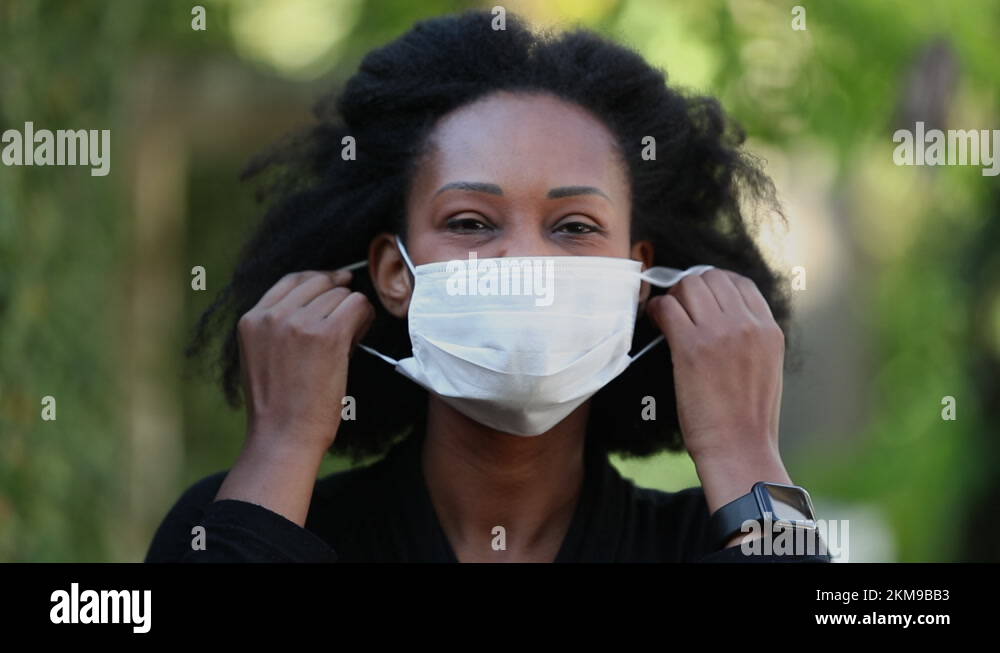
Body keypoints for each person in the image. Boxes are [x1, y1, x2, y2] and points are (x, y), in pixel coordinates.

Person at [145, 10, 832, 563]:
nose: (526, 259)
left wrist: (746, 453)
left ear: (636, 277)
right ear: (394, 273)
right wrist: (283, 445)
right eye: (471, 221)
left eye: (572, 226)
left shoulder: (705, 540)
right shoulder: (244, 521)